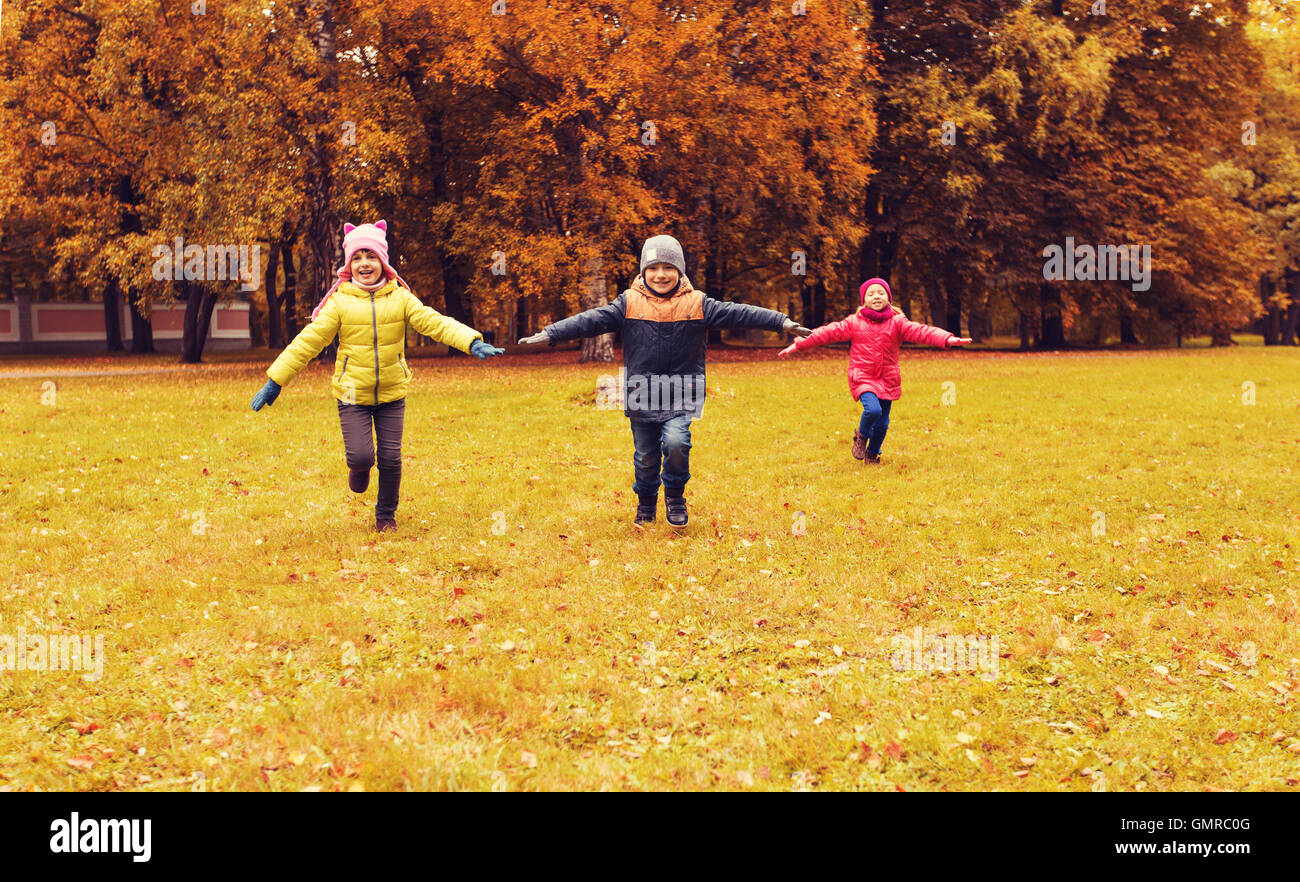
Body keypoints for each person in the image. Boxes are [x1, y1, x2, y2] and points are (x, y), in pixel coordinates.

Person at [520, 234, 810, 526]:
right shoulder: (628, 303)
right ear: (644, 271)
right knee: (645, 457)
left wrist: (781, 322)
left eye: (668, 267)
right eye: (653, 268)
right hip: (641, 392)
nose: (661, 275)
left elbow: (740, 314)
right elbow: (591, 320)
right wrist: (552, 333)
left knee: (676, 443)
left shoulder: (698, 303)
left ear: (680, 271)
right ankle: (646, 502)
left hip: (682, 392)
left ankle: (674, 497)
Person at [250, 220, 503, 530]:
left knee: (391, 459)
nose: (364, 263)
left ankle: (385, 517)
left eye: (370, 256)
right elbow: (308, 341)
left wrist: (470, 340)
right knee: (360, 457)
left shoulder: (401, 298)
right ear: (349, 264)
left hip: (392, 393)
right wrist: (276, 379)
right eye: (357, 257)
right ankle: (358, 469)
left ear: (383, 261)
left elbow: (435, 323)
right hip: (352, 394)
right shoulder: (339, 303)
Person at [778, 277, 971, 463]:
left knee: (882, 424)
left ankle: (872, 454)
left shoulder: (898, 322)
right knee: (873, 410)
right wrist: (799, 344)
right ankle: (861, 437)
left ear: (888, 298)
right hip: (863, 377)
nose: (876, 296)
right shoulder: (854, 322)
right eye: (871, 294)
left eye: (881, 293)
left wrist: (948, 338)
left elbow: (922, 331)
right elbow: (827, 332)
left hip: (888, 378)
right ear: (864, 301)